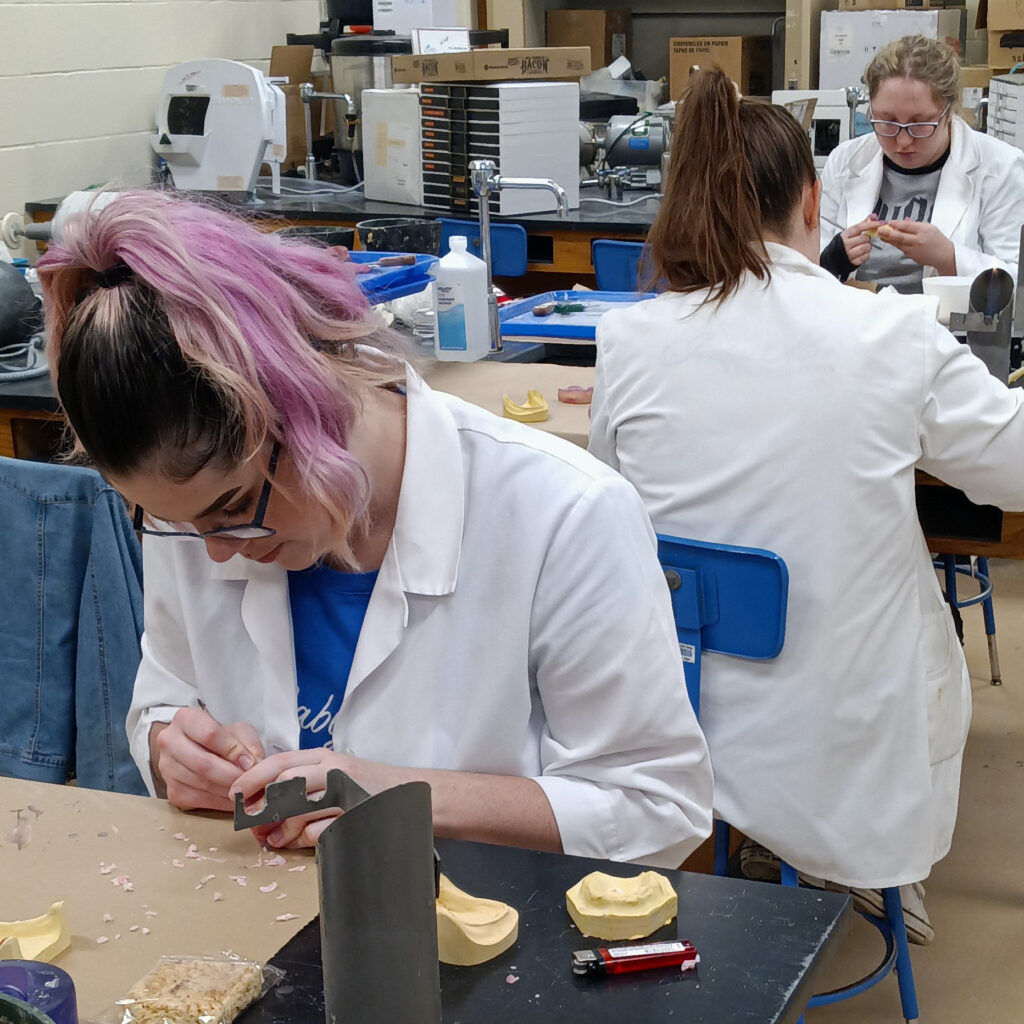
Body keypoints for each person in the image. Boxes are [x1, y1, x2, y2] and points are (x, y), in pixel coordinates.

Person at [38, 190, 713, 868]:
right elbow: (162, 699)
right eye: (172, 521)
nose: (214, 553)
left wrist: (400, 798)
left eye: (232, 510)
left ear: (309, 404)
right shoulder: (195, 514)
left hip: (487, 918)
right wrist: (171, 753)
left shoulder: (565, 514)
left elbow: (655, 808)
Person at [588, 68, 1024, 940]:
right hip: (843, 719)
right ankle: (855, 861)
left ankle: (758, 835)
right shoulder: (888, 333)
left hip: (685, 698)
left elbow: (613, 500)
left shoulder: (628, 337)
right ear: (814, 202)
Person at [819, 34, 1024, 293]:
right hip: (858, 315)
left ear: (948, 112)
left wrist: (949, 257)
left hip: (947, 319)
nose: (903, 141)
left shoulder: (1000, 167)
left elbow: (1017, 283)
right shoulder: (845, 162)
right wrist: (835, 257)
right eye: (887, 122)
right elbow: (805, 270)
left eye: (920, 124)